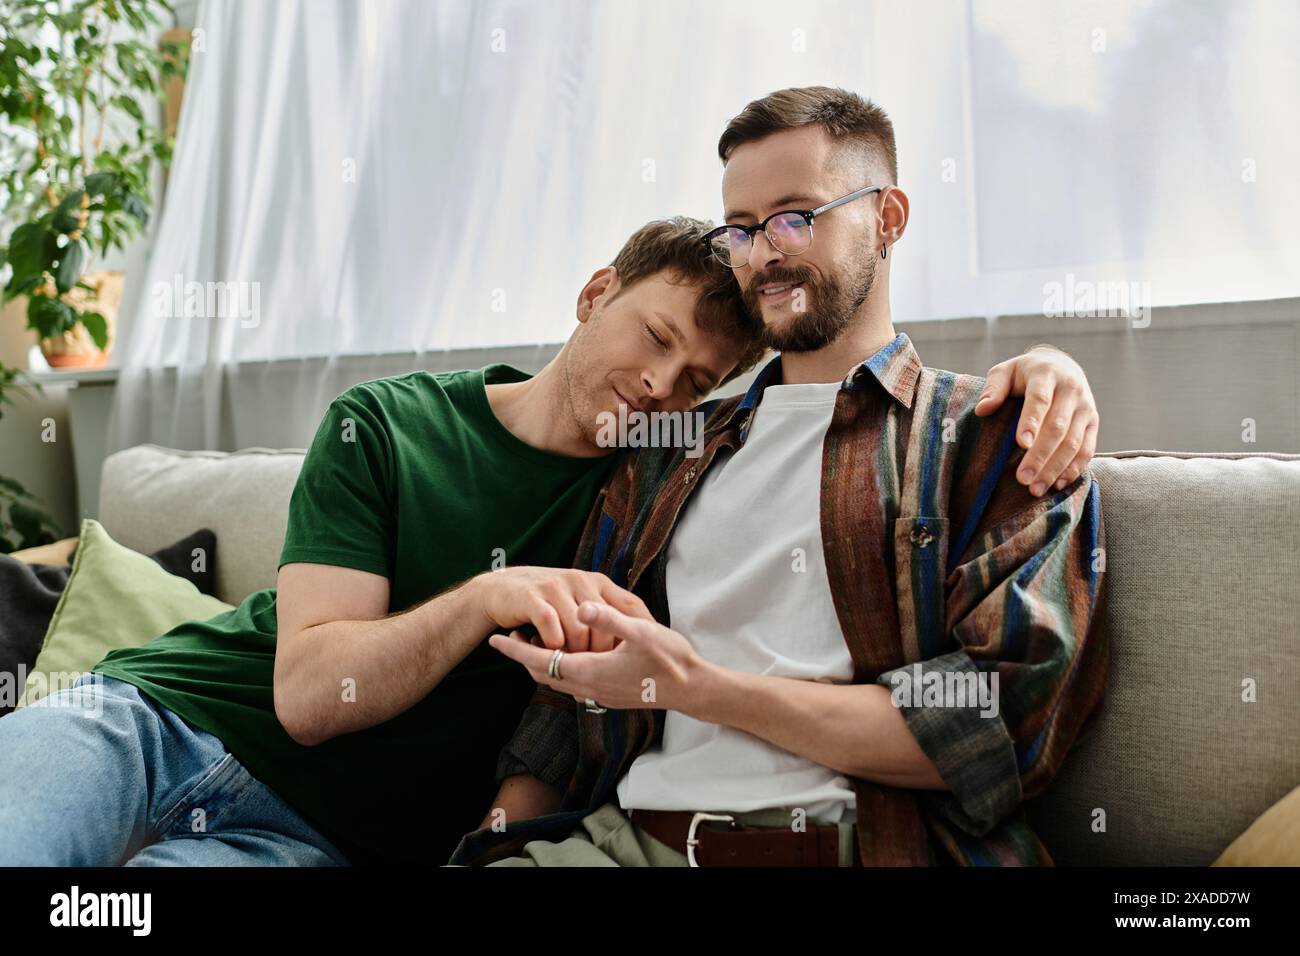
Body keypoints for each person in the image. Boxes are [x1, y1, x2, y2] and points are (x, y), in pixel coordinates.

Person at [0, 187, 1098, 868]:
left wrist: (1044, 370)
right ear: (593, 293)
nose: (657, 384)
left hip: (318, 844)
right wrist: (487, 594)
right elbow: (307, 694)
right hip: (161, 719)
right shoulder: (389, 423)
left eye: (696, 378)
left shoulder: (662, 500)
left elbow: (874, 417)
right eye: (653, 334)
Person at [454, 87, 1109, 868]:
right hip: (625, 846)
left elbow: (994, 724)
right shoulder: (672, 448)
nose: (764, 253)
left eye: (797, 216)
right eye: (742, 228)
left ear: (888, 218)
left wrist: (695, 686)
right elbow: (561, 707)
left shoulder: (993, 436)